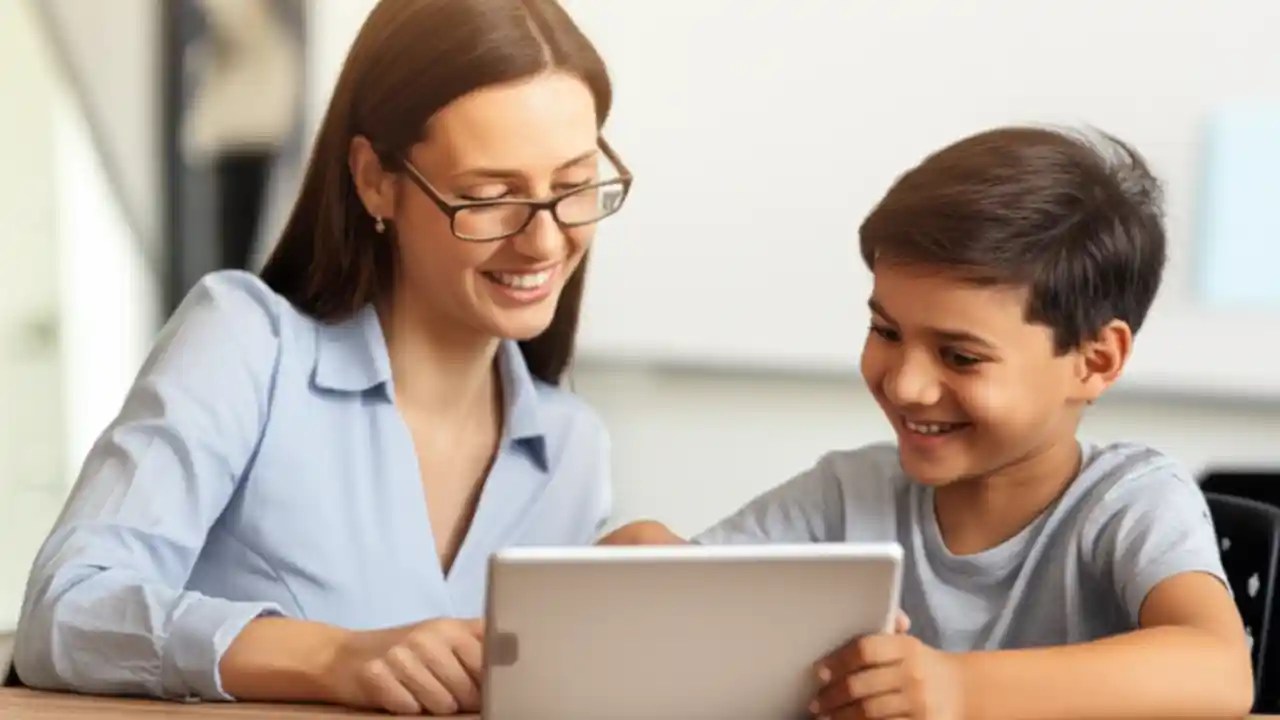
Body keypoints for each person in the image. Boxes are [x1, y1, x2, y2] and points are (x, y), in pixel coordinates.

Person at [14, 0, 631, 715]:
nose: (546, 243)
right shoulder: (248, 347)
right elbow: (66, 611)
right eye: (489, 196)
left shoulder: (572, 448)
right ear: (375, 179)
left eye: (573, 187)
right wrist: (333, 656)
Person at [602, 126, 1254, 719]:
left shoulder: (1130, 500)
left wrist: (959, 688)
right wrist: (654, 570)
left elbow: (1219, 673)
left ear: (1095, 360)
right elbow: (693, 608)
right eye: (885, 330)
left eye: (960, 356)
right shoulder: (844, 495)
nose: (906, 384)